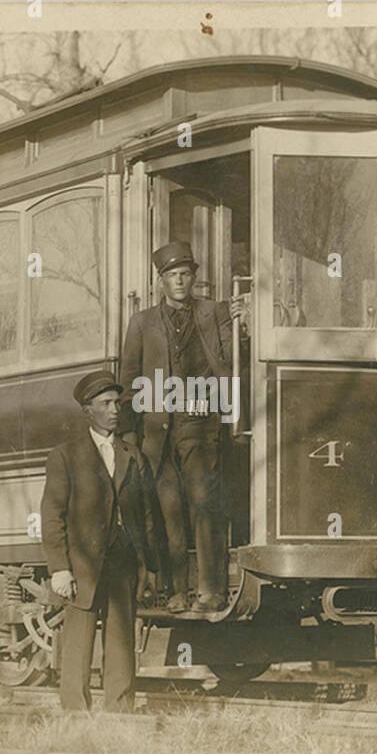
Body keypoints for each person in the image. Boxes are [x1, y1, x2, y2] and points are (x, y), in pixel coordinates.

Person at [117, 241, 244, 615]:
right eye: (172, 275)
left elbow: (234, 358)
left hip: (201, 424)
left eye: (186, 274)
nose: (180, 281)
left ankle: (211, 591)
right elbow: (128, 379)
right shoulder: (141, 323)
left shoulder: (214, 313)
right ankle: (175, 591)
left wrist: (242, 327)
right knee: (168, 510)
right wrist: (128, 435)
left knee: (205, 504)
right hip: (156, 431)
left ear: (194, 277)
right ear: (160, 281)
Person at [41, 370, 163, 712]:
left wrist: (149, 566)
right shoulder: (65, 456)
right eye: (106, 403)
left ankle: (120, 712)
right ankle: (75, 713)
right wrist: (59, 569)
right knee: (78, 642)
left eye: (118, 403)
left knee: (122, 640)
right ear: (87, 411)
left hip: (123, 562)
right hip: (82, 565)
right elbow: (52, 516)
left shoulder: (132, 455)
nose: (115, 410)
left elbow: (147, 517)